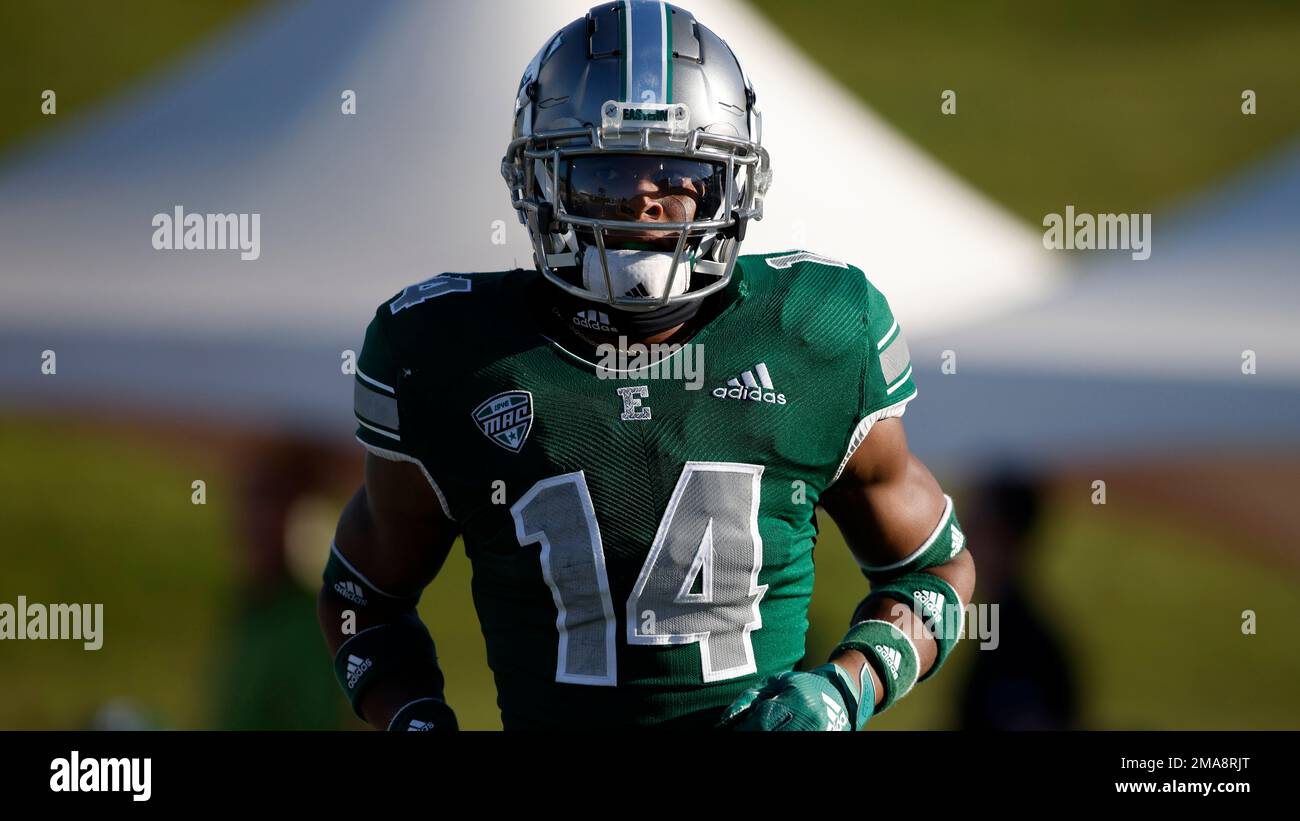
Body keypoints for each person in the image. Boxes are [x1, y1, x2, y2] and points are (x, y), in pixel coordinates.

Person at [317, 0, 973, 731]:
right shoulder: (446, 356)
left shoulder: (815, 333)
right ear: (538, 183)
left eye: (676, 172)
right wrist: (412, 717)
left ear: (735, 184)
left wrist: (846, 689)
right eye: (606, 173)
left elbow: (934, 572)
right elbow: (362, 599)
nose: (645, 202)